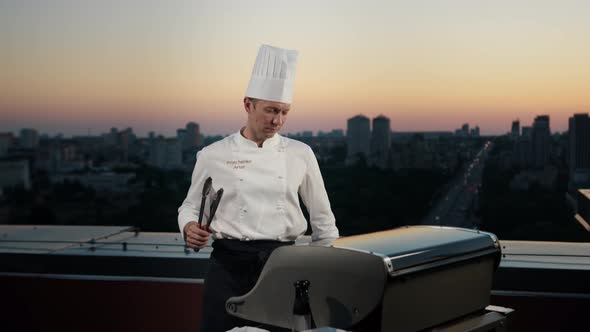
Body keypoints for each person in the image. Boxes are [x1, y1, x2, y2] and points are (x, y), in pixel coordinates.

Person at [178, 44, 339, 332]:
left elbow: (324, 223)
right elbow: (189, 205)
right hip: (227, 268)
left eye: (284, 112)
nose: (277, 121)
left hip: (283, 269)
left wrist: (316, 272)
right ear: (247, 105)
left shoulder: (300, 154)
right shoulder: (213, 154)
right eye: (270, 111)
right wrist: (189, 226)